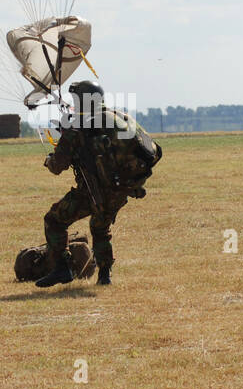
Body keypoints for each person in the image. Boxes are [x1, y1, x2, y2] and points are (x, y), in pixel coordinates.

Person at [35, 81, 162, 288]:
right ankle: (105, 275)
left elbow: (58, 166)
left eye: (76, 100)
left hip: (94, 189)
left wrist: (51, 158)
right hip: (121, 188)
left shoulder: (78, 127)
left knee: (54, 220)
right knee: (100, 227)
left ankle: (62, 267)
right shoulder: (120, 117)